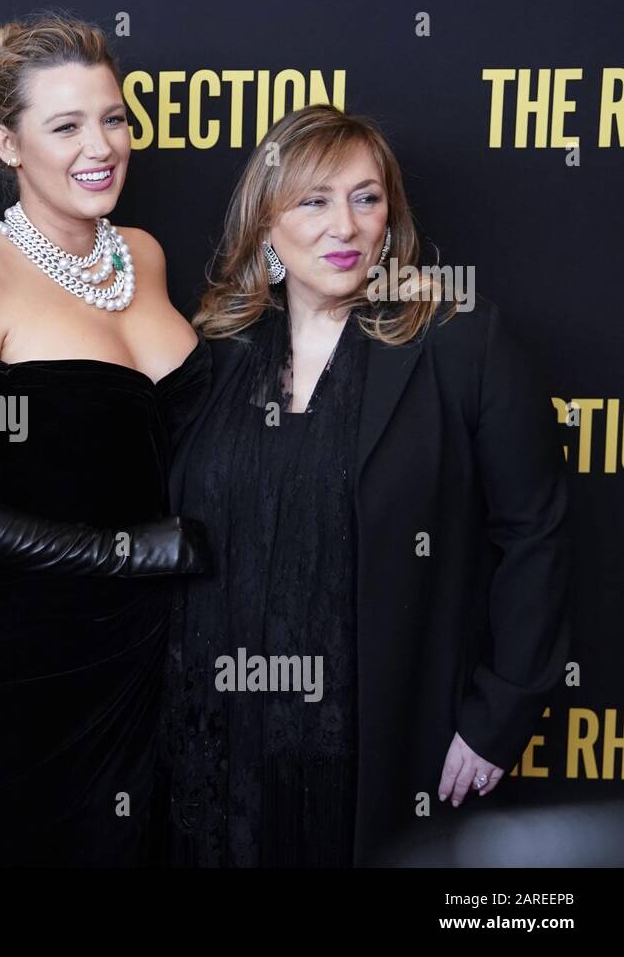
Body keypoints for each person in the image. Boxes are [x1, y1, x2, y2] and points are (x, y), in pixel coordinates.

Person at [160, 103, 571, 866]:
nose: (343, 226)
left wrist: (499, 717)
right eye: (313, 200)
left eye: (366, 197)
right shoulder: (213, 349)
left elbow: (534, 532)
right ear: (265, 222)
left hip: (384, 747)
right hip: (222, 750)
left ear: (391, 215)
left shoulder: (459, 339)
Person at [0, 13, 210, 866]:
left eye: (111, 117)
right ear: (8, 144)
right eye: (65, 125)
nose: (99, 145)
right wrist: (121, 554)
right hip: (22, 674)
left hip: (158, 652)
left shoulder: (141, 254)